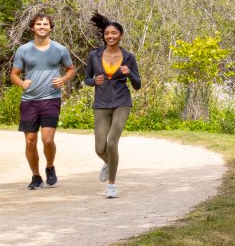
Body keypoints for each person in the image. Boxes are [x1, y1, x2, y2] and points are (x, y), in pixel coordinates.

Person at [10, 14, 76, 189]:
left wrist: (63, 80)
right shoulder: (23, 50)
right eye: (38, 24)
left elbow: (70, 70)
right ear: (32, 27)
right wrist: (21, 83)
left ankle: (50, 167)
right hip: (29, 100)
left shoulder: (59, 49)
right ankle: (36, 176)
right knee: (30, 141)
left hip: (51, 98)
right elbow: (14, 74)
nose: (42, 26)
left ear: (50, 27)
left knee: (47, 140)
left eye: (45, 24)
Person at [87, 11, 142, 200]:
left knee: (112, 142)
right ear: (104, 35)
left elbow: (137, 85)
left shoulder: (129, 57)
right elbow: (87, 79)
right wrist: (95, 81)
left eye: (114, 33)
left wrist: (130, 73)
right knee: (99, 149)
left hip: (121, 102)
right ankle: (109, 164)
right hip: (101, 103)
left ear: (121, 36)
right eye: (107, 33)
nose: (110, 36)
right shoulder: (94, 55)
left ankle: (111, 185)